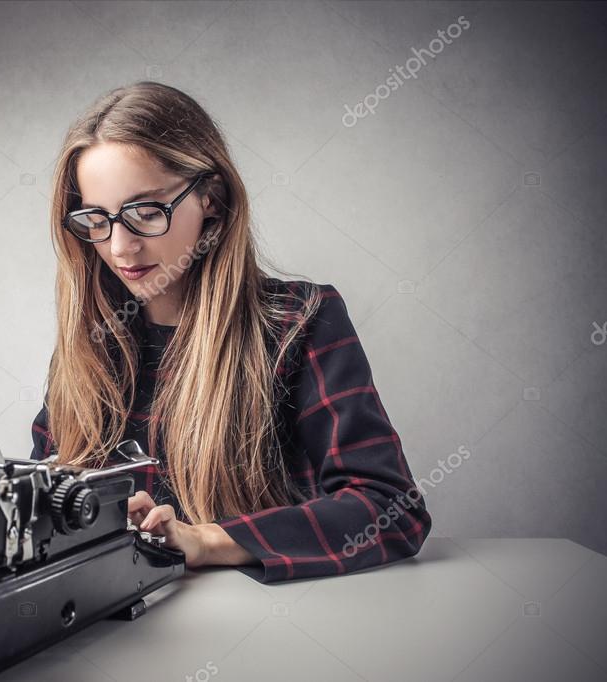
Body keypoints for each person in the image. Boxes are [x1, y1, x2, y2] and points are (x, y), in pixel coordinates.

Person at [30, 81, 430, 583]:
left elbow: (391, 508)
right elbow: (43, 504)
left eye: (147, 212)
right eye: (97, 219)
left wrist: (206, 540)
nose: (121, 246)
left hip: (267, 625)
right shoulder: (87, 342)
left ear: (211, 198)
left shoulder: (302, 321)